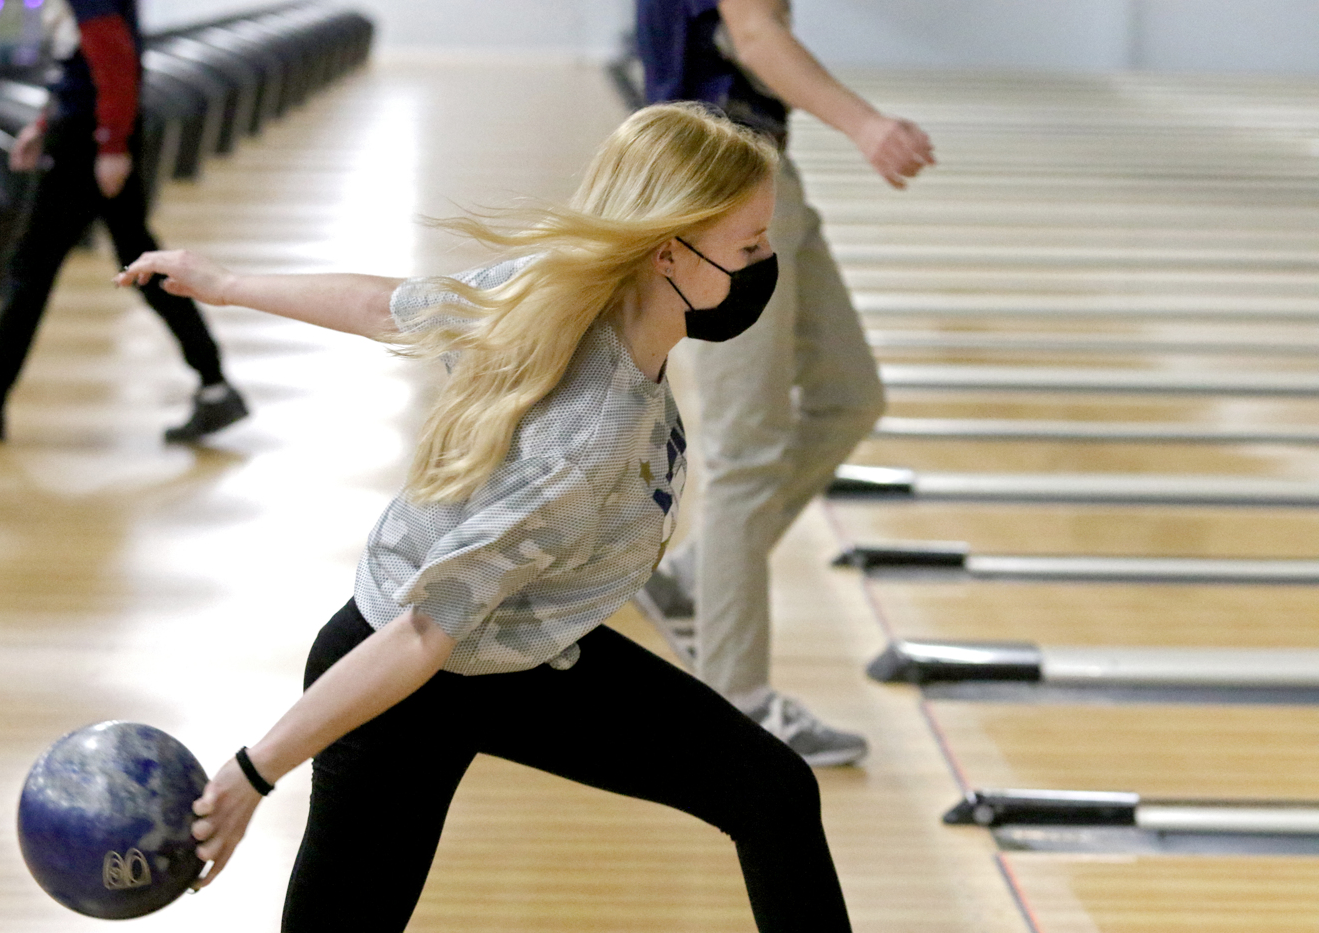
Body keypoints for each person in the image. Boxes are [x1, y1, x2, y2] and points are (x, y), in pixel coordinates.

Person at [116, 102, 854, 932]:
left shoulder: (560, 292)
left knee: (773, 791)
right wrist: (253, 773)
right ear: (669, 252)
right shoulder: (586, 438)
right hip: (401, 684)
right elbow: (423, 633)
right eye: (749, 246)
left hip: (520, 648)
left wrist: (226, 285)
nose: (764, 263)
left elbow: (392, 306)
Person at [633, 0, 935, 767]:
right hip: (717, 179)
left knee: (849, 393)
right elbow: (755, 34)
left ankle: (692, 579)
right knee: (749, 452)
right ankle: (736, 708)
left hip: (759, 167)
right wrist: (867, 124)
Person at [0, 0, 246, 443]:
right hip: (88, 132)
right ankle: (214, 385)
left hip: (84, 142)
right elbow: (80, 63)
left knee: (30, 267)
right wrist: (43, 124)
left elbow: (112, 55)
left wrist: (111, 145)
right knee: (139, 260)